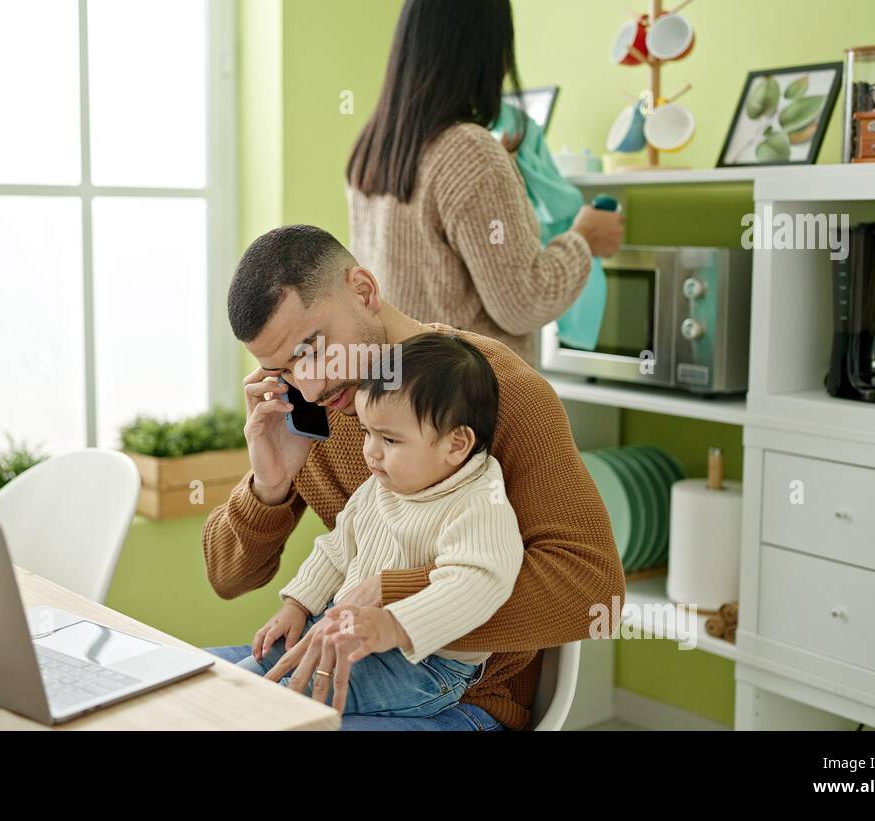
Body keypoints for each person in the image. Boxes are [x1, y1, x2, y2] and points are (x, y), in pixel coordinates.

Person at [202, 224, 624, 731]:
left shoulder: (501, 390)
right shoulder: (312, 410)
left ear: (364, 290)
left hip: (460, 699)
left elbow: (595, 589)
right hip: (345, 652)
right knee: (171, 699)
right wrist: (269, 486)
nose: (309, 386)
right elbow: (229, 577)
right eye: (285, 369)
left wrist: (391, 593)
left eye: (313, 348)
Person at [234, 333, 523, 718]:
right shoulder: (381, 484)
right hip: (350, 631)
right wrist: (298, 605)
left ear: (456, 445)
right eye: (368, 433)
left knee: (279, 703)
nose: (370, 450)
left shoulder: (480, 502)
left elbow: (477, 582)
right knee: (241, 681)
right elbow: (338, 550)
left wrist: (392, 624)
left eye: (388, 438)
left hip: (425, 665)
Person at [345, 0, 625, 363]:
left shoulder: (372, 148)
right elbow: (523, 303)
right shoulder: (469, 150)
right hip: (470, 399)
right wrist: (583, 240)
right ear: (490, 52)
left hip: (400, 394)